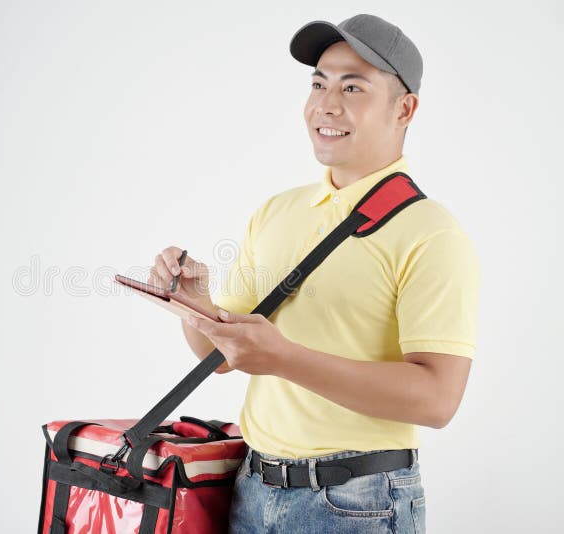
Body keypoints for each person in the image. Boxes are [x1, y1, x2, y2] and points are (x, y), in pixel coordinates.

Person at [147, 13, 481, 533]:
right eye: (319, 83)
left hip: (359, 502)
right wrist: (198, 306)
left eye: (353, 87)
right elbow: (220, 360)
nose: (326, 104)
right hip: (252, 486)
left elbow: (437, 401)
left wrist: (284, 359)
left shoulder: (431, 233)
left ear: (405, 109)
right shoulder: (278, 211)